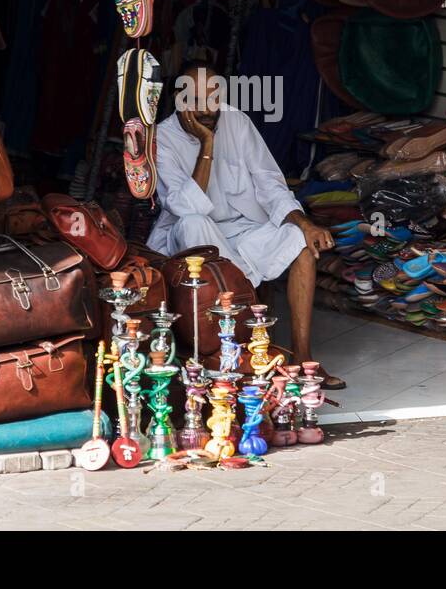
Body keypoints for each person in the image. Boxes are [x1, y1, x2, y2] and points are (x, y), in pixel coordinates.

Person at [146, 62, 343, 388]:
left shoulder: (236, 121)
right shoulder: (162, 139)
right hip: (193, 235)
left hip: (243, 230)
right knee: (194, 222)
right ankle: (232, 354)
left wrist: (304, 224)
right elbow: (186, 206)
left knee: (298, 240)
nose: (208, 108)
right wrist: (207, 145)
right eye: (197, 99)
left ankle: (302, 358)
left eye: (214, 97)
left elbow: (270, 184)